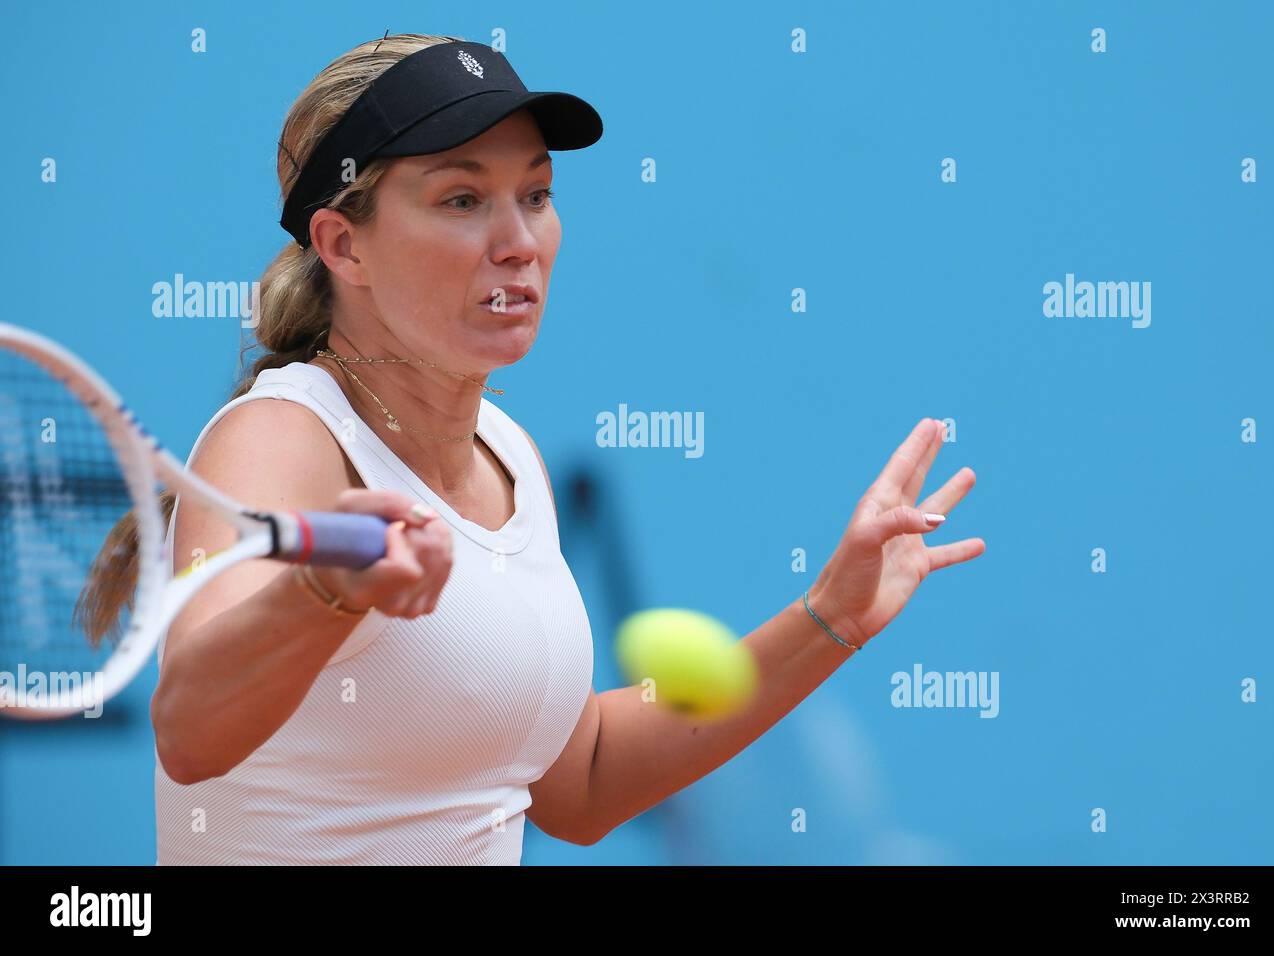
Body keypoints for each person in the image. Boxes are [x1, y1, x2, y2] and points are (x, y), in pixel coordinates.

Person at [85, 33, 985, 865]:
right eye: (463, 198)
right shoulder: (280, 438)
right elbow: (193, 731)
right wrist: (328, 589)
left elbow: (578, 785)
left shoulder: (508, 456)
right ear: (343, 243)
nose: (519, 243)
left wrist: (833, 615)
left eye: (537, 195)